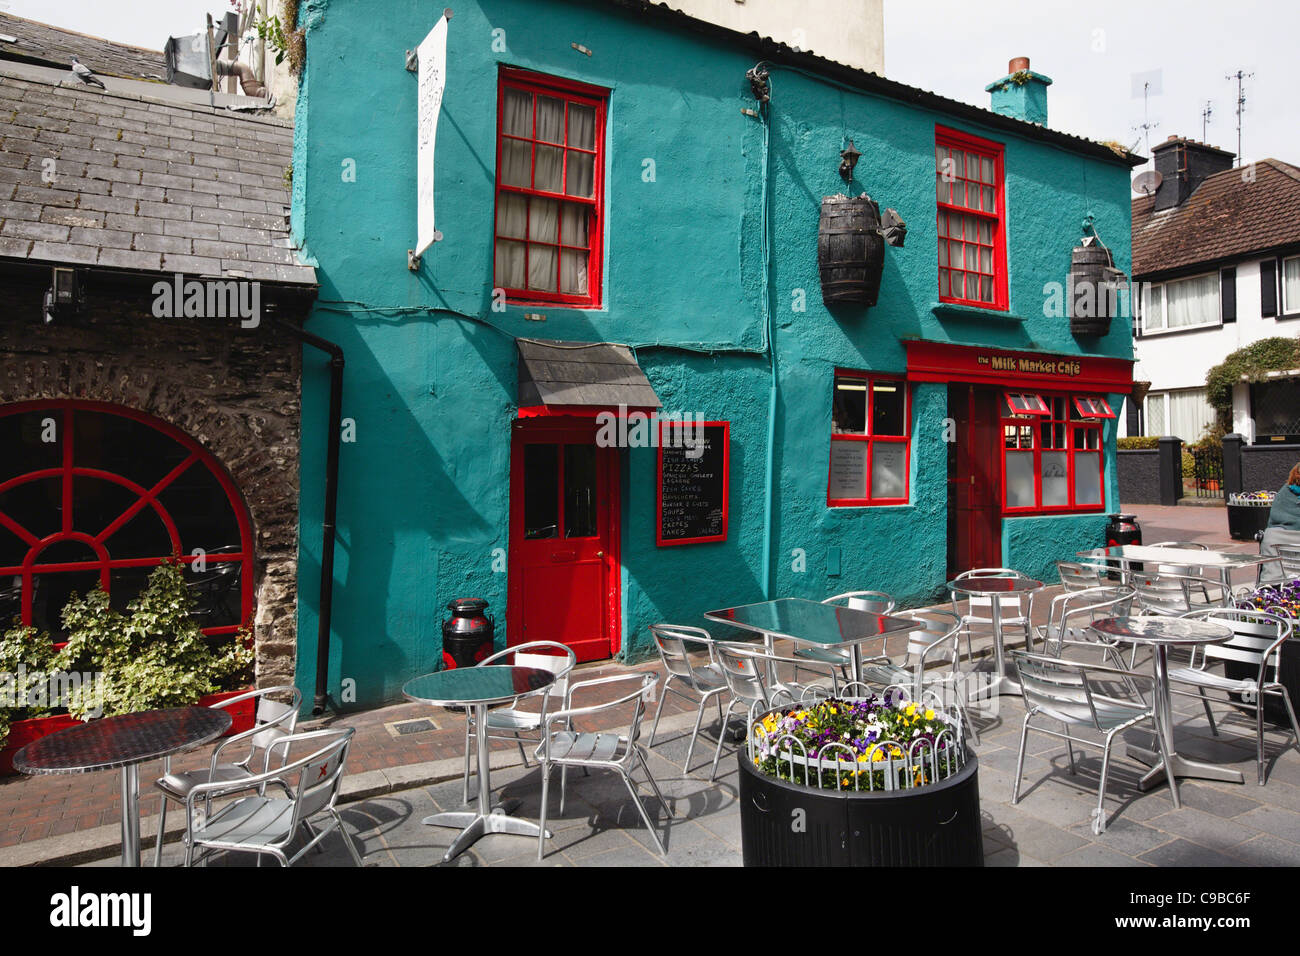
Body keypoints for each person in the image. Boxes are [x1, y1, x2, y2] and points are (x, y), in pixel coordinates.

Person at [1259, 463, 1300, 583]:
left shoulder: (1284, 491)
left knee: (1270, 536)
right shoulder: (1285, 492)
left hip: (1278, 539)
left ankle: (1272, 581)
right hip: (1286, 539)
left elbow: (1276, 518)